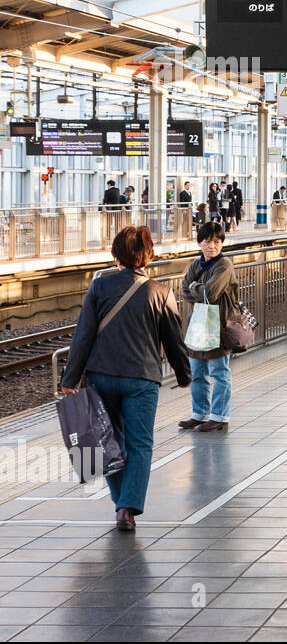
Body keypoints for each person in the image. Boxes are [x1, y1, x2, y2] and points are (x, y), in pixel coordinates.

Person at [59, 226, 192, 531]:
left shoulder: (99, 287)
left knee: (108, 442)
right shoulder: (161, 292)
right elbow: (174, 339)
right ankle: (127, 508)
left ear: (116, 254)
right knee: (140, 443)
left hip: (101, 376)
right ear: (147, 256)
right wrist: (184, 375)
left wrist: (71, 378)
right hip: (141, 380)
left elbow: (83, 336)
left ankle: (121, 502)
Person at [178, 221, 238, 432]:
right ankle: (199, 413)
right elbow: (184, 290)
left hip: (219, 325)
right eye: (207, 241)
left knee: (219, 372)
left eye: (217, 241)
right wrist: (197, 289)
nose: (212, 246)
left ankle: (219, 416)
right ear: (199, 243)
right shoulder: (196, 265)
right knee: (197, 371)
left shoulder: (224, 265)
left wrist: (197, 287)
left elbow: (210, 294)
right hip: (198, 324)